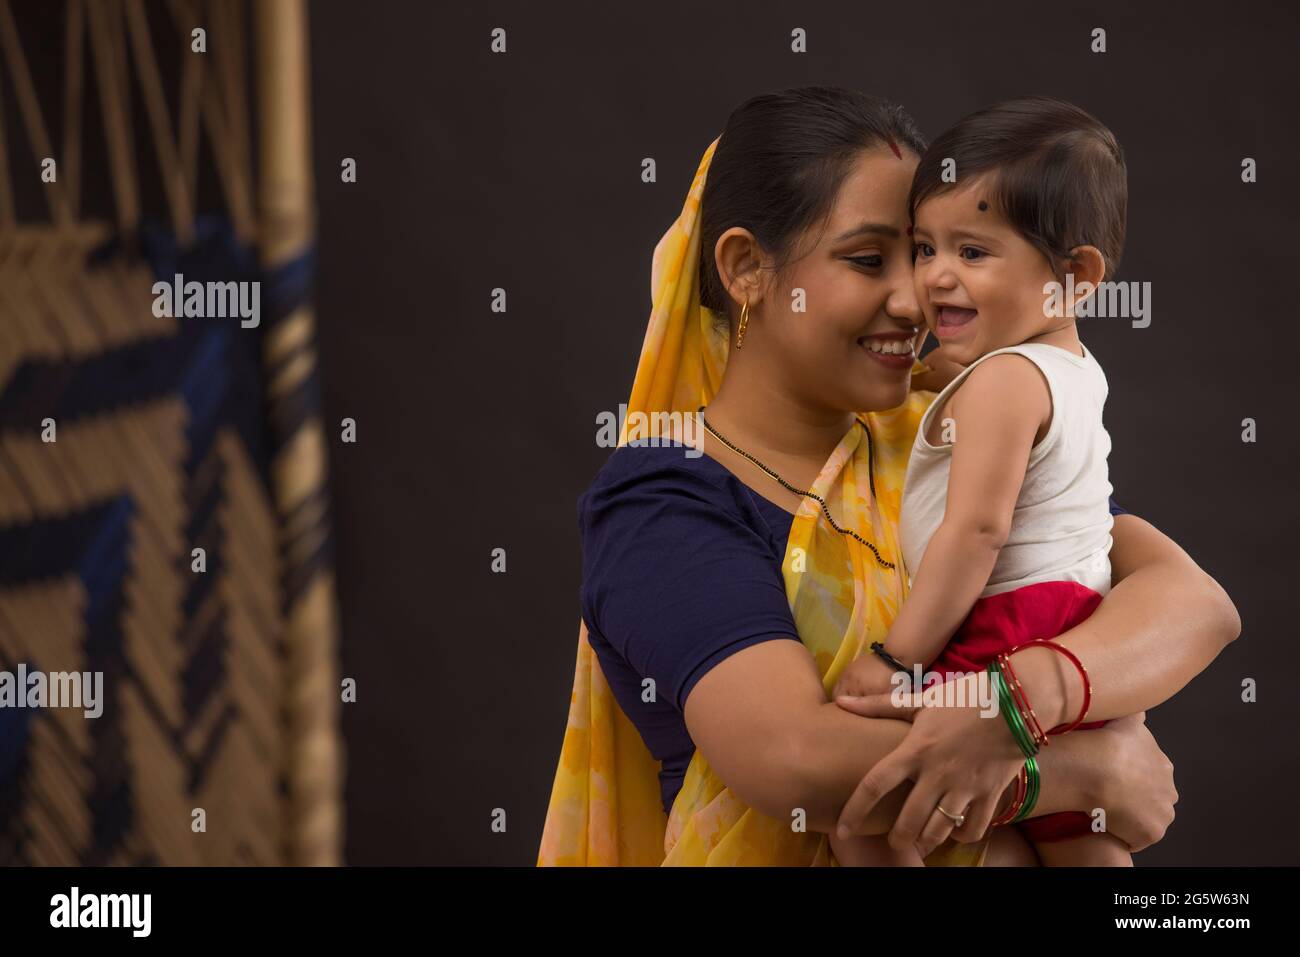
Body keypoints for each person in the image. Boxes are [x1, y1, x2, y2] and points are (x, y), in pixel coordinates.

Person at [537, 87, 1240, 866]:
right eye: (870, 259)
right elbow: (794, 757)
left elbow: (1192, 604)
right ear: (745, 268)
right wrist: (1076, 771)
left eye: (933, 252)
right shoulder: (669, 500)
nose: (919, 297)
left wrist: (1026, 700)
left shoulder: (945, 430)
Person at [829, 96, 1138, 867]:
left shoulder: (1003, 383)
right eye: (925, 247)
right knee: (1082, 842)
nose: (934, 278)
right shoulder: (1064, 368)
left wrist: (900, 658)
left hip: (1009, 626)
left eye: (972, 253)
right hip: (1071, 619)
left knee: (869, 815)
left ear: (1076, 277)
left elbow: (977, 531)